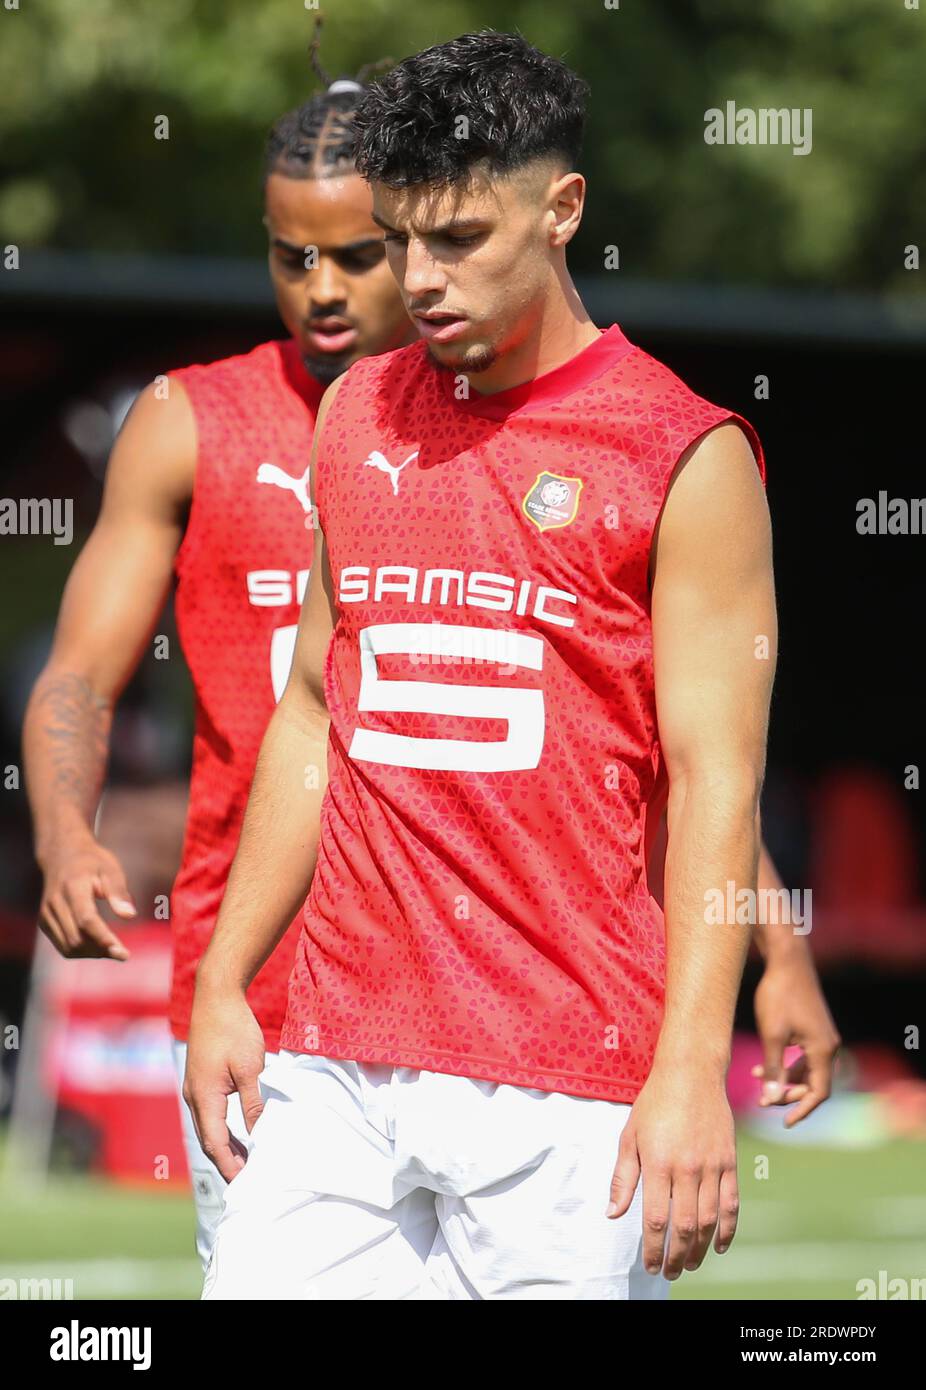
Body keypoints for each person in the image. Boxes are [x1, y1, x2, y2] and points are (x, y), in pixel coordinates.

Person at [185, 31, 836, 1301]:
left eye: (461, 239)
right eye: (400, 239)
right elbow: (318, 706)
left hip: (569, 1074)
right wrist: (221, 977)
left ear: (561, 209)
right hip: (334, 1055)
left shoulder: (680, 452)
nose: (419, 279)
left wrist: (691, 1067)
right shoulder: (354, 410)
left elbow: (713, 779)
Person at [22, 54, 416, 1269]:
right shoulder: (188, 418)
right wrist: (62, 829)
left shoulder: (502, 424)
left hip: (468, 978)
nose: (321, 288)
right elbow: (81, 673)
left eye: (358, 254)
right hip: (254, 984)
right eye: (291, 255)